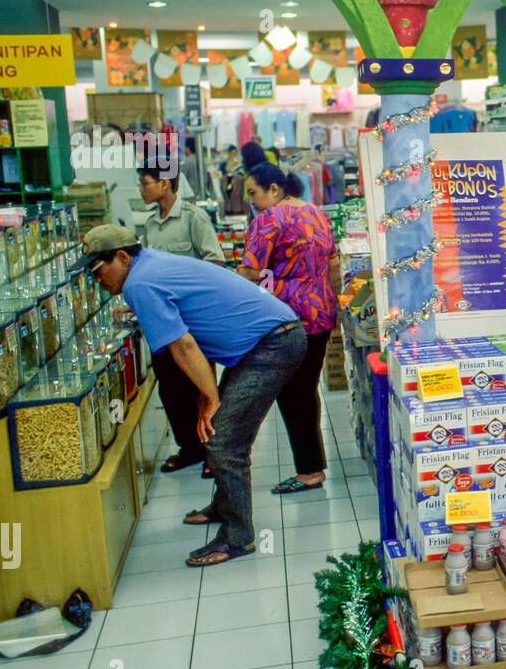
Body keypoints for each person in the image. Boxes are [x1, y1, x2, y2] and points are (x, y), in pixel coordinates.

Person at [81, 224, 305, 567]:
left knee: (223, 440)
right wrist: (207, 394)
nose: (97, 280)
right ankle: (225, 507)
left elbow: (183, 346)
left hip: (272, 343)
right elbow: (201, 327)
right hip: (260, 342)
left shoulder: (140, 283)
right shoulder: (149, 266)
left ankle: (238, 537)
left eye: (98, 270)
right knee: (217, 430)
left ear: (123, 257)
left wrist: (212, 399)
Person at [237, 163, 339, 495]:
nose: (251, 201)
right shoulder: (316, 213)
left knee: (294, 393)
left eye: (253, 192)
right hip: (321, 312)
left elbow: (251, 271)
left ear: (275, 190)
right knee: (304, 389)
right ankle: (312, 466)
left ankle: (310, 471)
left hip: (288, 318)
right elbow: (334, 262)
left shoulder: (269, 220)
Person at [136, 164, 226, 477]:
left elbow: (215, 260)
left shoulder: (193, 217)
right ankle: (190, 448)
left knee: (202, 388)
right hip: (163, 323)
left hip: (192, 322)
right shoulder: (150, 225)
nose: (141, 189)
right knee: (171, 389)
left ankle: (216, 454)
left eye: (145, 183)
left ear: (164, 183)